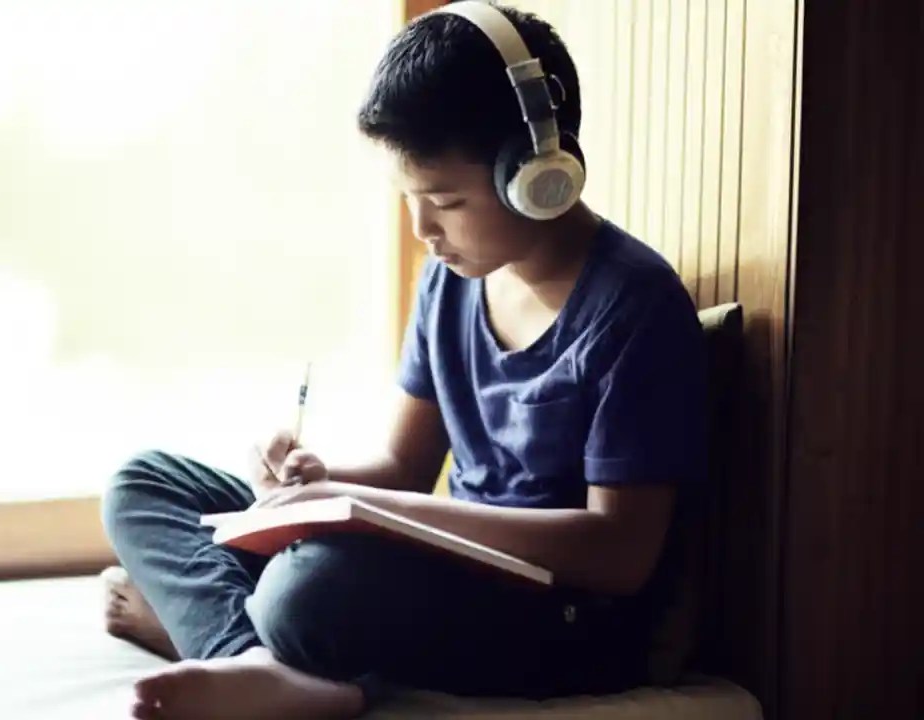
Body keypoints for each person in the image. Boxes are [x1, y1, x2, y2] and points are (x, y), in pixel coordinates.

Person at [100, 2, 708, 718]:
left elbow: (620, 555)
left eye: (444, 200)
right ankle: (252, 660)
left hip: (561, 619)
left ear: (538, 172)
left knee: (308, 589)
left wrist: (371, 514)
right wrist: (317, 482)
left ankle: (221, 635)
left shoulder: (636, 307)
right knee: (144, 485)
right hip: (446, 570)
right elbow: (402, 470)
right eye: (409, 198)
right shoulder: (452, 281)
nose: (423, 229)